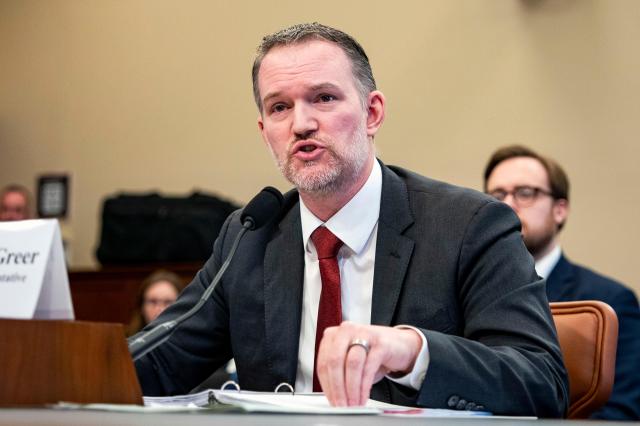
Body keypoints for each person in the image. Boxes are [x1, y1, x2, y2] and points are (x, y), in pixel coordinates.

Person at [132, 23, 568, 417]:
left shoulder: (468, 225)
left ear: (372, 113)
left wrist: (412, 351)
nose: (302, 124)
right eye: (280, 107)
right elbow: (159, 362)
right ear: (265, 132)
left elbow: (541, 381)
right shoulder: (250, 236)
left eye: (324, 98)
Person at [484, 145, 640, 420]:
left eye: (525, 193)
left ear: (560, 210)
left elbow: (622, 411)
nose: (507, 205)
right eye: (496, 196)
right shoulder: (470, 291)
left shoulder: (611, 299)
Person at [125, 270, 184, 337]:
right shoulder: (124, 341)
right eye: (153, 302)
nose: (160, 309)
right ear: (141, 307)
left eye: (168, 302)